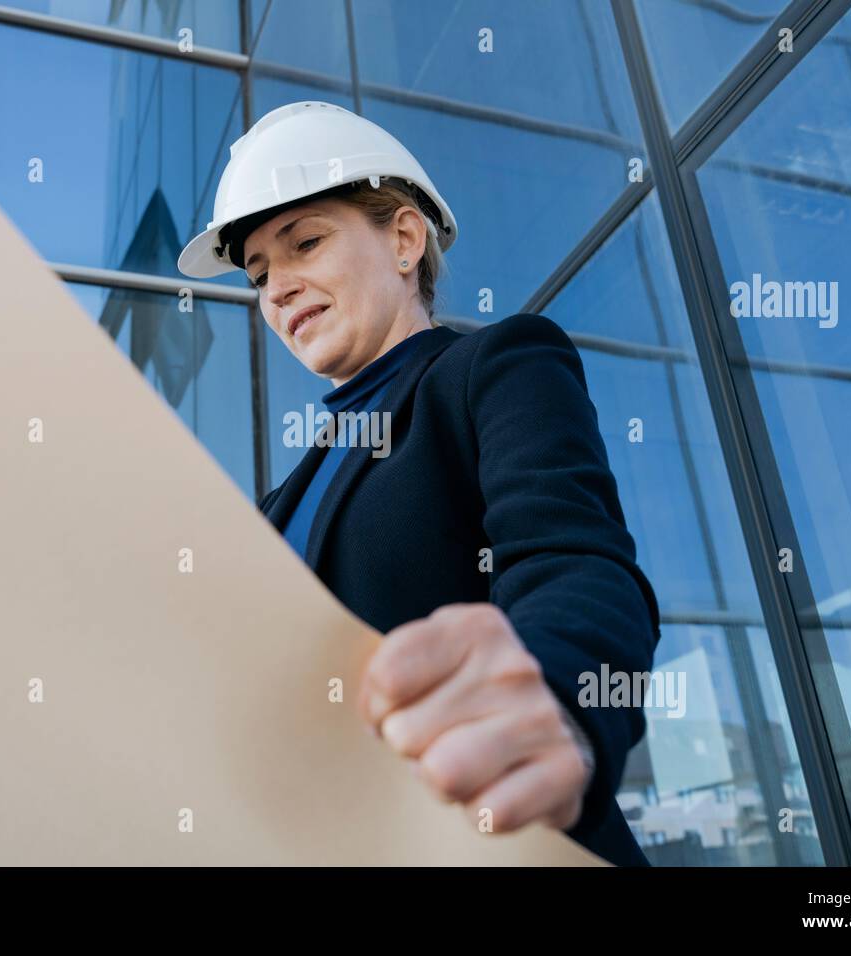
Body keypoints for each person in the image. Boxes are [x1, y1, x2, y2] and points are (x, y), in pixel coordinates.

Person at [178, 101, 661, 866]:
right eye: (261, 274)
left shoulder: (492, 369)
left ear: (404, 240)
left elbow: (575, 560)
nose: (277, 289)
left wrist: (558, 693)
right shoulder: (280, 504)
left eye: (305, 242)